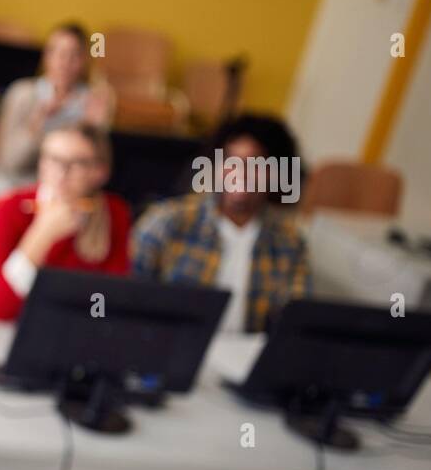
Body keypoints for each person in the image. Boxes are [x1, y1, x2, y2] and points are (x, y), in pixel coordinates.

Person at [131, 113, 309, 333]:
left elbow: (295, 323)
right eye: (230, 161)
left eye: (256, 164)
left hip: (246, 356)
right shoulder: (167, 222)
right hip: (171, 348)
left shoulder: (289, 242)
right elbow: (131, 300)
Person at [0, 124, 130, 321]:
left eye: (78, 163)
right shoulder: (9, 209)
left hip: (56, 333)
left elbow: (109, 303)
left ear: (100, 171)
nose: (61, 173)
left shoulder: (113, 213)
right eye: (53, 159)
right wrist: (42, 234)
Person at [0, 22, 114, 180]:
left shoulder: (93, 101)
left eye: (74, 55)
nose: (65, 62)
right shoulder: (23, 93)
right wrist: (37, 123)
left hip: (65, 187)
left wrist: (95, 129)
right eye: (58, 52)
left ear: (84, 61)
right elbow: (9, 163)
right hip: (15, 181)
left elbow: (97, 173)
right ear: (46, 56)